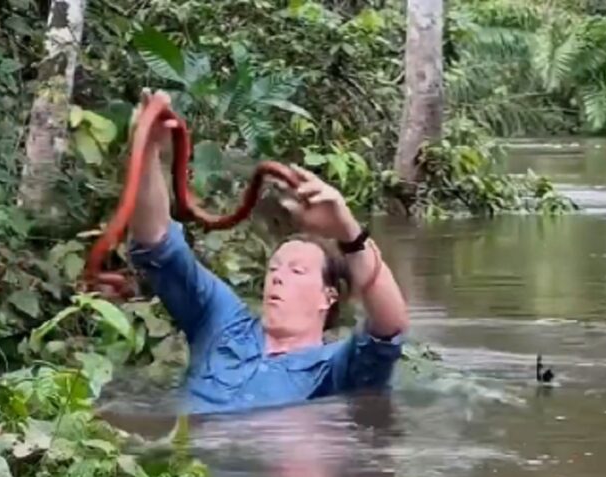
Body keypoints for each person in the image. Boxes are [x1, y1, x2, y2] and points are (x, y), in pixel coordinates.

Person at [126, 91, 409, 414]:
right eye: (274, 268)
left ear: (327, 296)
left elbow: (390, 328)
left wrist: (348, 231)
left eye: (296, 271)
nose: (277, 277)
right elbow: (157, 243)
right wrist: (146, 150)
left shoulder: (334, 368)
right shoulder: (222, 324)